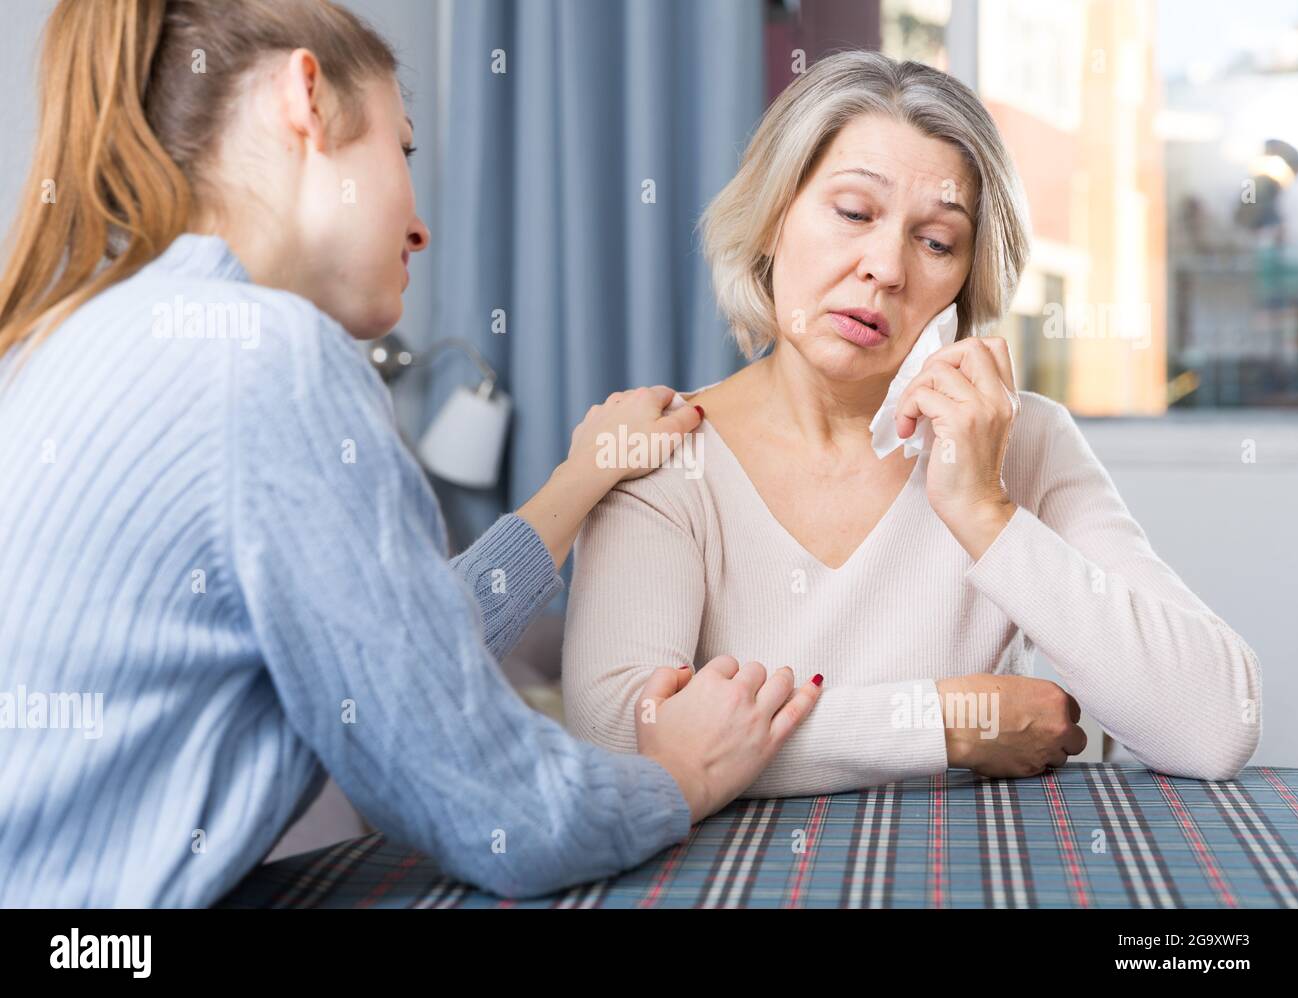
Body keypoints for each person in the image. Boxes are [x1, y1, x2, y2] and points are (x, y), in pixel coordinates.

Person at [0, 0, 821, 907]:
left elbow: (393, 654)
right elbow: (502, 812)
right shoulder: (270, 359)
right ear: (304, 98)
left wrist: (579, 478)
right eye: (405, 149)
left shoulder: (82, 339)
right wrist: (680, 774)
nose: (422, 227)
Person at [562, 51, 1262, 796]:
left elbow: (1217, 722)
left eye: (936, 242)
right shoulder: (665, 453)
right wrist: (948, 722)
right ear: (772, 219)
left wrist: (983, 511)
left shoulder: (1025, 443)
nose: (887, 268)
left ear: (965, 281)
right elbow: (622, 743)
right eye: (854, 213)